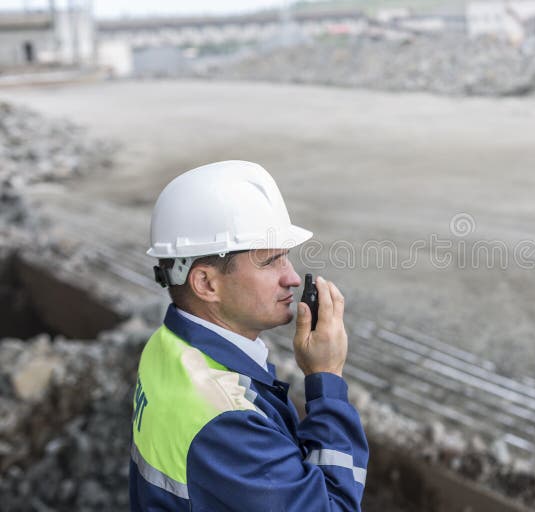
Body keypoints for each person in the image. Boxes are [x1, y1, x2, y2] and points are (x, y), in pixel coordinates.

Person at [129, 160, 368, 511]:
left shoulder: (168, 347)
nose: (292, 278)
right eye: (270, 261)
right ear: (206, 283)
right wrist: (326, 379)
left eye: (286, 257)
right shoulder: (227, 422)